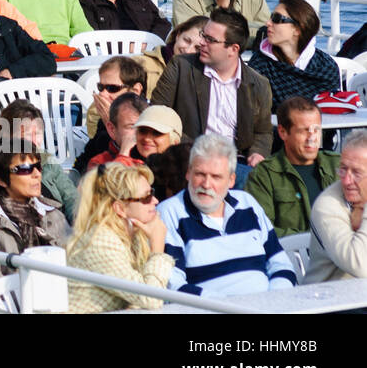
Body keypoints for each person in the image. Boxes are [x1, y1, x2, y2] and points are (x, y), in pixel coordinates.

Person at [157, 134, 295, 295]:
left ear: (231, 180)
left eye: (216, 177)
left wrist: (274, 299)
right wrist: (228, 306)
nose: (206, 184)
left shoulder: (247, 204)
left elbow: (280, 263)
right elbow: (172, 285)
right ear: (188, 173)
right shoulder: (170, 212)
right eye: (200, 174)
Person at [151, 8, 273, 172]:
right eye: (203, 35)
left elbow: (263, 132)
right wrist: (196, 150)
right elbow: (158, 113)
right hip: (189, 157)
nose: (201, 43)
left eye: (210, 39)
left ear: (233, 49)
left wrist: (258, 153)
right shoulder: (180, 66)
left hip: (237, 162)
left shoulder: (259, 84)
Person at [65, 161, 174, 313]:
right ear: (120, 208)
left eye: (152, 193)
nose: (155, 201)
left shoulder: (131, 234)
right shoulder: (100, 242)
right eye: (146, 197)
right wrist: (157, 249)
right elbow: (150, 299)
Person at [0, 139, 70, 291]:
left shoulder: (52, 213)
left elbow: (75, 265)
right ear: (0, 179)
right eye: (25, 169)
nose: (37, 174)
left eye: (38, 167)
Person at [246, 96, 339, 237]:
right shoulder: (264, 175)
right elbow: (260, 229)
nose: (312, 138)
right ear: (283, 132)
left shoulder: (339, 165)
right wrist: (312, 240)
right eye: (303, 131)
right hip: (292, 256)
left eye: (316, 130)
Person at [245, 0, 338, 103]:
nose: (268, 23)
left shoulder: (326, 67)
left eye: (276, 19)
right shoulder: (260, 64)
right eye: (271, 17)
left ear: (298, 29)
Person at [0, 98, 79, 219]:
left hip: (60, 226)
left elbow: (71, 197)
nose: (35, 141)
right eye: (28, 135)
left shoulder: (47, 160)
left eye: (39, 133)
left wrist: (80, 225)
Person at [305, 129, 367, 283]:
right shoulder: (327, 205)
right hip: (327, 302)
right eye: (343, 169)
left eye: (357, 173)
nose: (346, 181)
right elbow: (360, 265)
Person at [76, 55, 147, 170]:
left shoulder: (150, 121)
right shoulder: (104, 120)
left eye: (112, 88)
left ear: (136, 90)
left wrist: (112, 122)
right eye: (100, 87)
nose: (103, 94)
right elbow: (86, 160)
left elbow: (140, 162)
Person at [136, 15, 207, 97]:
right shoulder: (140, 64)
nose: (188, 50)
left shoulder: (207, 78)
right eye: (186, 40)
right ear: (178, 35)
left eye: (197, 48)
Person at [85, 92, 150, 171]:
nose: (139, 134)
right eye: (132, 127)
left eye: (144, 127)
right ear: (112, 130)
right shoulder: (100, 163)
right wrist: (124, 155)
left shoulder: (157, 156)